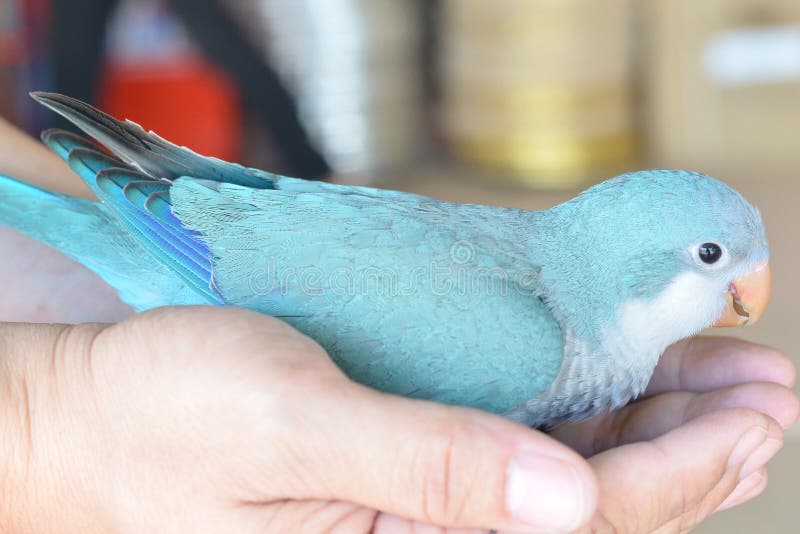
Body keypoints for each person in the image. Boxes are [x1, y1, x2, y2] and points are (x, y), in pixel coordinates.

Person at [0, 116, 798, 532]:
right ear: (631, 267)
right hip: (209, 261)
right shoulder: (531, 346)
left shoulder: (532, 258)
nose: (747, 292)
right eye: (712, 257)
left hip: (237, 226)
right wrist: (47, 429)